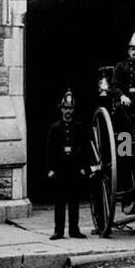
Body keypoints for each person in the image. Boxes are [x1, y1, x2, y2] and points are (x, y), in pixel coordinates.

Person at [46, 89, 91, 240]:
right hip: (60, 169)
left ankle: (74, 230)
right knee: (59, 202)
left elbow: (85, 149)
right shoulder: (55, 128)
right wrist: (51, 168)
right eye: (65, 108)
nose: (68, 112)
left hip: (74, 169)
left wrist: (84, 168)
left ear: (74, 110)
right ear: (61, 109)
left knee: (74, 201)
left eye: (70, 109)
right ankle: (58, 231)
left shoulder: (79, 127)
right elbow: (50, 150)